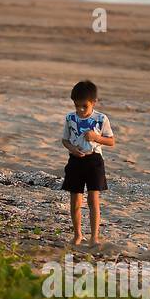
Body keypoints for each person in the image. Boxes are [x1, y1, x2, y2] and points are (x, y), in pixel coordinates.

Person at [60, 79, 116, 246]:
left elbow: (111, 141)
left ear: (94, 102)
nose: (80, 110)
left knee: (93, 200)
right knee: (75, 200)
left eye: (84, 106)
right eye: (77, 106)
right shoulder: (70, 118)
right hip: (75, 161)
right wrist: (71, 149)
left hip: (94, 161)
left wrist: (96, 137)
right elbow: (65, 140)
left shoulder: (101, 118)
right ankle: (77, 235)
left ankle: (94, 237)